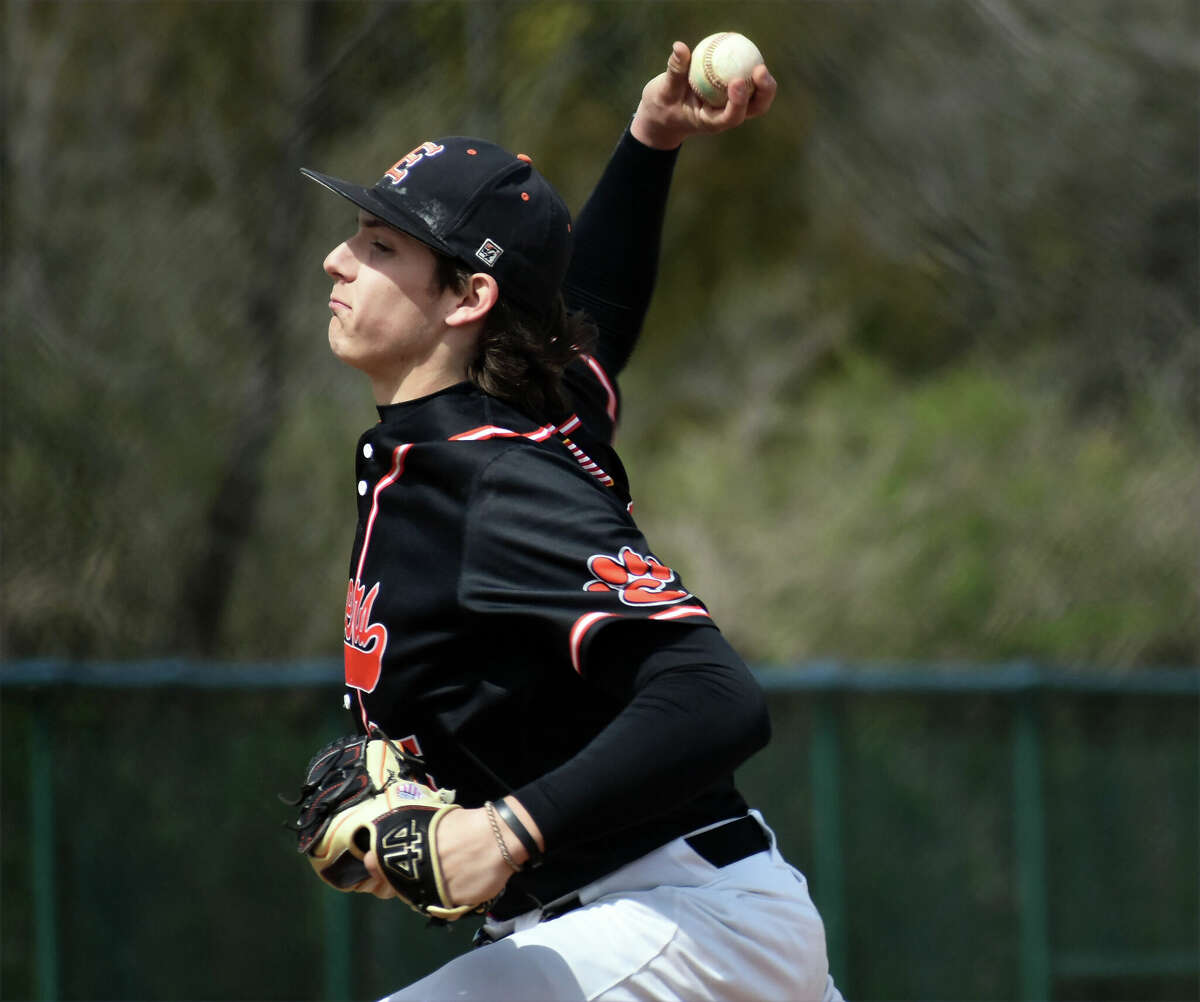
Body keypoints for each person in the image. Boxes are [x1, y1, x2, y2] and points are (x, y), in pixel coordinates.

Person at [301, 39, 843, 1002]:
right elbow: (592, 310)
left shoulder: (497, 481)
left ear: (470, 298)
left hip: (679, 925)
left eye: (382, 247)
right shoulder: (525, 410)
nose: (338, 260)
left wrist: (504, 829)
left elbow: (716, 695)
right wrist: (650, 139)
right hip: (641, 928)